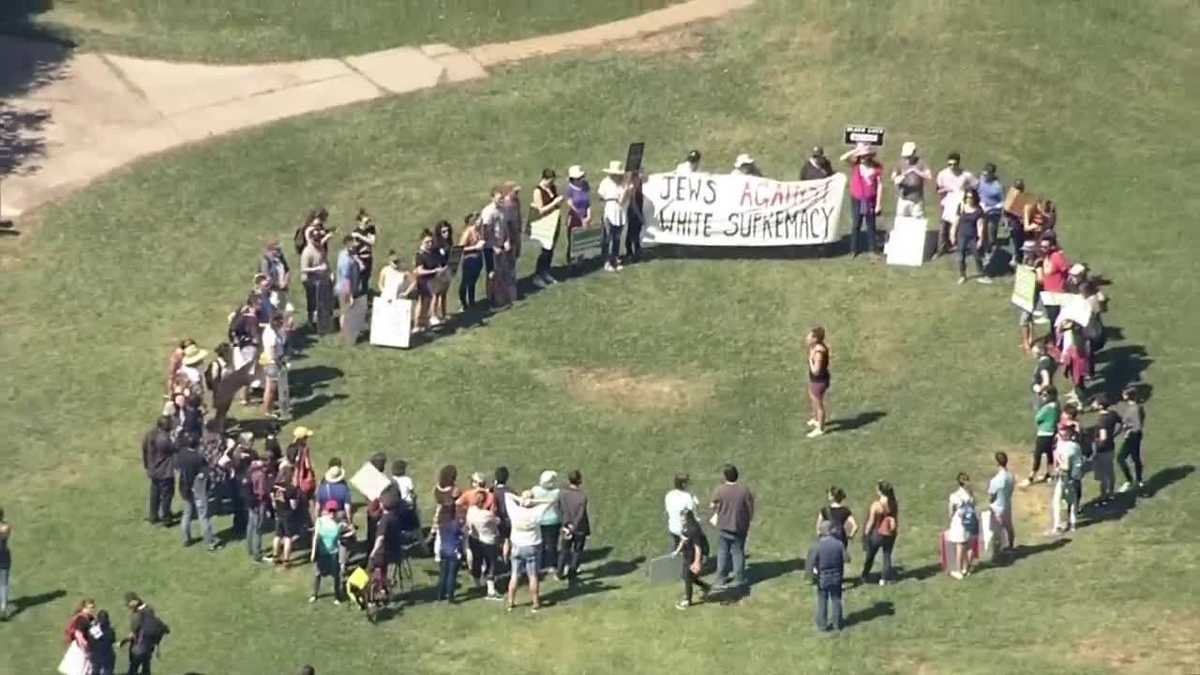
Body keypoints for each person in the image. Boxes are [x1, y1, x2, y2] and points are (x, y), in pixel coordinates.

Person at [504, 490, 555, 613]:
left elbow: (507, 495)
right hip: (532, 546)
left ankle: (510, 602)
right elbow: (551, 501)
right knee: (532, 575)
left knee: (514, 575)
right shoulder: (536, 512)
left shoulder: (514, 510)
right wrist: (534, 501)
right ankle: (535, 603)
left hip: (517, 546)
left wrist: (519, 499)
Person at [710, 464, 754, 588]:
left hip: (724, 525)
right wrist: (748, 519)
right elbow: (750, 508)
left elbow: (712, 505)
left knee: (723, 552)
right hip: (740, 526)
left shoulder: (720, 489)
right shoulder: (744, 490)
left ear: (725, 477)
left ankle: (721, 579)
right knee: (738, 552)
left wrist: (718, 508)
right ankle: (739, 578)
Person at [839, 144, 883, 258]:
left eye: (865, 156)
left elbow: (879, 185)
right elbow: (843, 158)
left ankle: (872, 249)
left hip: (870, 199)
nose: (863, 158)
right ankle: (853, 250)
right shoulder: (856, 165)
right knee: (856, 224)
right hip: (857, 198)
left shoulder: (876, 167)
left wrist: (878, 203)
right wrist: (856, 150)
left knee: (870, 225)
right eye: (861, 156)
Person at [176, 434, 217, 551]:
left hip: (184, 488)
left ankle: (186, 539)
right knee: (203, 515)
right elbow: (205, 472)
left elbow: (178, 468)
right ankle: (209, 542)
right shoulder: (198, 458)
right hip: (198, 489)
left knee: (187, 514)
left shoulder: (181, 453)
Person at [935, 152, 977, 256]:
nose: (952, 167)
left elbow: (976, 185)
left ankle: (959, 247)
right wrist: (945, 190)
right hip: (947, 203)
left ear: (958, 163)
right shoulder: (943, 174)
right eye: (950, 164)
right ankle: (941, 249)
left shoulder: (966, 175)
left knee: (958, 226)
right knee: (943, 227)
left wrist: (967, 193)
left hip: (960, 204)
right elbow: (938, 189)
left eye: (954, 164)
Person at [310, 500, 352, 604]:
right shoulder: (320, 521)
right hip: (321, 552)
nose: (332, 513)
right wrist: (313, 552)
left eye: (334, 511)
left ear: (337, 511)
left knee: (336, 576)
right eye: (330, 511)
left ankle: (337, 597)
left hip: (333, 553)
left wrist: (346, 535)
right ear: (326, 511)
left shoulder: (340, 523)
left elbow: (351, 530)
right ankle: (314, 594)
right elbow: (316, 537)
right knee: (318, 574)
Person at [808, 521, 845, 633]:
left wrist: (811, 576)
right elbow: (847, 558)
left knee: (822, 601)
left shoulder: (817, 546)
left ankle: (822, 625)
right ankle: (837, 624)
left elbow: (811, 562)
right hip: (837, 576)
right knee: (836, 600)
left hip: (823, 577)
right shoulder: (839, 544)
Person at [481, 186, 515, 308]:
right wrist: (493, 246)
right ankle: (490, 299)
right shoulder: (488, 212)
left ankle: (500, 295)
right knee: (491, 273)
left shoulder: (503, 210)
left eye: (502, 198)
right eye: (499, 198)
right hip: (490, 247)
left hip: (501, 245)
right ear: (492, 198)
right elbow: (485, 233)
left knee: (501, 271)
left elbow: (504, 227)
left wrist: (507, 241)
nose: (501, 200)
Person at [859, 482, 898, 585]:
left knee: (870, 555)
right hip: (890, 533)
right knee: (887, 556)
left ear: (881, 491)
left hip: (877, 534)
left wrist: (865, 534)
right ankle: (885, 578)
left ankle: (864, 575)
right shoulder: (893, 503)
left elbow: (871, 522)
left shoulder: (876, 505)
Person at [530, 169, 564, 287]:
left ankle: (546, 272)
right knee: (545, 249)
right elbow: (540, 210)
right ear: (544, 179)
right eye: (550, 181)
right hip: (545, 223)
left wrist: (558, 203)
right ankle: (538, 274)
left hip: (554, 221)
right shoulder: (538, 191)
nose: (551, 183)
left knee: (551, 249)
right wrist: (555, 203)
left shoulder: (552, 188)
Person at [465, 490, 502, 599]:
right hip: (488, 541)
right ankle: (490, 590)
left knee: (477, 561)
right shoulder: (487, 514)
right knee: (491, 564)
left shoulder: (470, 510)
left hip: (474, 539)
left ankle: (477, 584)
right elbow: (498, 521)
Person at [556, 470, 590, 582]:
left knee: (564, 550)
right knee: (577, 550)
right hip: (579, 528)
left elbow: (557, 509)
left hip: (566, 527)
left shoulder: (562, 494)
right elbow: (580, 514)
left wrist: (564, 523)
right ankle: (572, 571)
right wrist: (574, 527)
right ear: (579, 480)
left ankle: (559, 572)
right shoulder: (582, 496)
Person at [672, 509, 710, 609]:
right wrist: (676, 551)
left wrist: (697, 562)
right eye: (681, 519)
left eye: (684, 520)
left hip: (692, 556)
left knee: (687, 577)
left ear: (689, 519)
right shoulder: (685, 527)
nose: (682, 521)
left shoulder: (694, 529)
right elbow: (683, 539)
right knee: (685, 576)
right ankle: (705, 586)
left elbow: (698, 548)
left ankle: (687, 601)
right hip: (687, 554)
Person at [597, 161, 631, 272]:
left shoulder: (624, 183)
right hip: (610, 212)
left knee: (617, 238)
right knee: (608, 237)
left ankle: (614, 258)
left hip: (620, 212)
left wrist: (626, 191)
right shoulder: (605, 182)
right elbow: (601, 196)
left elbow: (626, 197)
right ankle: (607, 261)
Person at [122, 593, 167, 675]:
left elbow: (133, 633)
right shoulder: (149, 608)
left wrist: (123, 641)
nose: (128, 606)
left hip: (138, 648)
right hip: (149, 646)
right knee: (146, 667)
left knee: (133, 669)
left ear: (134, 602)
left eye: (129, 603)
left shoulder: (136, 615)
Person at [142, 416, 176, 526]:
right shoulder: (164, 439)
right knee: (167, 495)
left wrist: (147, 465)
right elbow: (174, 449)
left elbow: (144, 450)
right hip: (165, 471)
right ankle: (166, 518)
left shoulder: (150, 435)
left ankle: (153, 516)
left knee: (155, 493)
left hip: (153, 469)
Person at [953, 188, 991, 284]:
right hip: (961, 236)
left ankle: (981, 274)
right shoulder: (961, 207)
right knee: (961, 256)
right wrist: (952, 234)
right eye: (967, 197)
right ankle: (962, 275)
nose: (969, 199)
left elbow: (980, 226)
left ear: (975, 198)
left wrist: (980, 239)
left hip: (973, 237)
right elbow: (956, 222)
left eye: (971, 197)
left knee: (977, 256)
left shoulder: (978, 210)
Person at [1024, 386, 1061, 486]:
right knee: (1049, 454)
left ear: (1051, 395)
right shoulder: (1057, 406)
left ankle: (1031, 477)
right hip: (1052, 433)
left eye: (1045, 395)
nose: (1043, 397)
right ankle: (1049, 474)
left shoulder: (1047, 408)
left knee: (1037, 455)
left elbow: (1037, 419)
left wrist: (1039, 409)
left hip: (1044, 434)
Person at [1050, 426, 1083, 534]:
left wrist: (1058, 468)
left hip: (1065, 477)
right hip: (1075, 477)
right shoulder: (1076, 446)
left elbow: (1065, 466)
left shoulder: (1065, 447)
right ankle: (1073, 523)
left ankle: (1057, 526)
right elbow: (1079, 462)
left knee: (1057, 501)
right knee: (1072, 501)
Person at [946, 473, 979, 580]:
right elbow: (974, 506)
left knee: (960, 546)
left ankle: (959, 571)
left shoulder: (954, 496)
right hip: (971, 522)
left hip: (960, 524)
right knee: (969, 545)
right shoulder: (971, 495)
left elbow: (951, 512)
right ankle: (967, 568)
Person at [1114, 386, 1146, 492]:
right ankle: (1139, 480)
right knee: (1135, 457)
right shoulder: (1137, 407)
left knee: (1120, 458)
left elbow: (1137, 425)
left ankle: (1130, 480)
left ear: (1128, 396)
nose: (1122, 395)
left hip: (1133, 436)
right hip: (1135, 435)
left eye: (1124, 394)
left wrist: (1128, 430)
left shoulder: (1134, 409)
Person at [530, 470, 562, 575]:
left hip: (539, 520)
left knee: (541, 543)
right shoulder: (557, 492)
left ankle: (540, 563)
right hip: (554, 520)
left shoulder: (535, 490)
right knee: (552, 543)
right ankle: (552, 564)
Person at [269, 466, 301, 568]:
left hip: (278, 513)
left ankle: (275, 556)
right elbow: (294, 505)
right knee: (288, 537)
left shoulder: (274, 486)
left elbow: (273, 501)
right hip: (288, 514)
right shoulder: (291, 489)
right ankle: (286, 559)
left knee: (277, 535)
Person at [815, 486, 858, 559]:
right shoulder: (845, 510)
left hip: (827, 538)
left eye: (829, 494)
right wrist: (850, 536)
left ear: (832, 497)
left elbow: (818, 526)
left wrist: (820, 535)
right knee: (839, 559)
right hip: (841, 538)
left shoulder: (824, 510)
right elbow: (855, 526)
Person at [1037, 233, 1071, 327]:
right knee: (1052, 320)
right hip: (1048, 294)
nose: (1042, 249)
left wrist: (1064, 285)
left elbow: (1067, 271)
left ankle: (1058, 340)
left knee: (1057, 321)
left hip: (1058, 294)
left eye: (1045, 247)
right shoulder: (1045, 257)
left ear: (1052, 247)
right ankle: (1054, 339)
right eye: (1041, 246)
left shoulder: (1056, 257)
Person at [1091, 395, 1120, 503]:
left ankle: (1104, 495)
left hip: (1102, 450)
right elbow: (1121, 424)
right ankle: (1111, 492)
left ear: (1100, 406)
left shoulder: (1101, 420)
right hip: (1111, 447)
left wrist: (1095, 447)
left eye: (1095, 402)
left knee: (1103, 474)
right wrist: (1114, 435)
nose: (1093, 404)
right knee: (1110, 471)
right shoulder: (1113, 414)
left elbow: (1103, 437)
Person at [299, 227, 330, 326]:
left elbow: (324, 260)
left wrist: (330, 272)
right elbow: (303, 269)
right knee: (312, 302)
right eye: (315, 238)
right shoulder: (307, 252)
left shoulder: (320, 247)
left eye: (319, 237)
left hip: (321, 279)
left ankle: (321, 320)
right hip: (310, 281)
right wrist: (317, 269)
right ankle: (311, 321)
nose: (318, 240)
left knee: (322, 301)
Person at [891, 141, 931, 218]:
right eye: (906, 157)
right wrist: (903, 175)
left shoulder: (921, 163)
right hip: (903, 199)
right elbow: (893, 178)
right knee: (901, 220)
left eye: (909, 156)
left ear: (914, 153)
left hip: (917, 200)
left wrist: (916, 171)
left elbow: (929, 176)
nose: (907, 159)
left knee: (917, 221)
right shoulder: (900, 163)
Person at [260, 313, 288, 418]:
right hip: (273, 364)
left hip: (270, 362)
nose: (282, 323)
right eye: (280, 321)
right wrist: (280, 364)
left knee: (269, 388)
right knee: (271, 389)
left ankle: (267, 408)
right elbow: (273, 353)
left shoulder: (272, 330)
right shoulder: (271, 335)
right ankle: (267, 410)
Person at [987, 452, 1016, 554]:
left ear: (997, 463)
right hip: (1007, 505)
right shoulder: (1011, 476)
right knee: (1009, 527)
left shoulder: (995, 480)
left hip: (997, 508)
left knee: (997, 531)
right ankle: (1011, 546)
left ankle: (997, 552)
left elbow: (991, 496)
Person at [806, 326, 831, 438]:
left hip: (819, 381)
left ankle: (820, 428)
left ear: (815, 339)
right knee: (812, 397)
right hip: (815, 380)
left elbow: (816, 371)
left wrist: (810, 361)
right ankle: (816, 419)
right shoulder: (814, 346)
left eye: (810, 336)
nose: (807, 338)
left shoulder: (818, 353)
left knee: (818, 403)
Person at [564, 165, 592, 265]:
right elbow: (571, 205)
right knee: (572, 241)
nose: (581, 179)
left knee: (582, 240)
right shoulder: (569, 189)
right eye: (579, 178)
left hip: (584, 217)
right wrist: (581, 218)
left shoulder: (585, 186)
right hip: (574, 218)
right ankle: (571, 262)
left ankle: (580, 260)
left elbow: (588, 202)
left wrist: (588, 216)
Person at [664, 473, 700, 550]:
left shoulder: (669, 495)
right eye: (688, 483)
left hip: (673, 528)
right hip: (684, 530)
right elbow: (693, 514)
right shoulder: (687, 497)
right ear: (684, 484)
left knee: (680, 548)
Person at [457, 214, 485, 309]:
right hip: (469, 260)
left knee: (473, 281)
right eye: (479, 220)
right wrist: (475, 247)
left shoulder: (479, 231)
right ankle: (463, 302)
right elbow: (460, 248)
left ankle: (472, 301)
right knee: (466, 281)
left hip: (478, 259)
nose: (481, 222)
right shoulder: (468, 232)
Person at [436, 510, 464, 602]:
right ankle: (450, 596)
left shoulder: (441, 525)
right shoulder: (455, 524)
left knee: (443, 573)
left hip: (443, 550)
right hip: (453, 551)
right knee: (452, 574)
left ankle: (440, 594)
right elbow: (461, 533)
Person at [977, 163, 1005, 256]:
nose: (984, 176)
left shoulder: (997, 187)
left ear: (992, 174)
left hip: (993, 214)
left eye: (987, 175)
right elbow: (978, 192)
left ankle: (991, 251)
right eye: (984, 174)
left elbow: (1002, 203)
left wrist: (990, 208)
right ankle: (981, 249)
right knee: (980, 231)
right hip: (981, 211)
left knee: (990, 234)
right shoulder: (981, 179)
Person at [432, 220, 455, 321]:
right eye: (444, 232)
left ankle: (444, 313)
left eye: (448, 231)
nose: (447, 233)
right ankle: (433, 315)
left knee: (444, 294)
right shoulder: (436, 244)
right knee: (436, 294)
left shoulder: (449, 243)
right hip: (438, 272)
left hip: (447, 270)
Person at [351, 208, 377, 297]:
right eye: (365, 222)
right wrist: (359, 262)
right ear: (359, 222)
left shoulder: (370, 230)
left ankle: (364, 298)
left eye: (368, 221)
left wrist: (360, 236)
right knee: (357, 280)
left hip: (368, 258)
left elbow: (372, 242)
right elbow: (353, 250)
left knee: (366, 280)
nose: (367, 224)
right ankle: (355, 298)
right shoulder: (355, 232)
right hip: (360, 259)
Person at [86, 609, 117, 675]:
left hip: (95, 657)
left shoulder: (92, 631)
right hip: (108, 657)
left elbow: (90, 643)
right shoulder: (110, 631)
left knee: (95, 671)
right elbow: (113, 641)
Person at [625, 170, 646, 263]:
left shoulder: (640, 184)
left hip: (638, 209)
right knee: (632, 233)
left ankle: (636, 250)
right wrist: (639, 216)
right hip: (633, 212)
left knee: (636, 232)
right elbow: (633, 203)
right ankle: (630, 252)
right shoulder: (632, 187)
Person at [0, 507, 9, 620]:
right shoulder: (5, 526)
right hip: (4, 556)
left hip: (3, 557)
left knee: (3, 583)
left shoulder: (5, 527)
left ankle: (3, 608)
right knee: (3, 584)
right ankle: (3, 607)